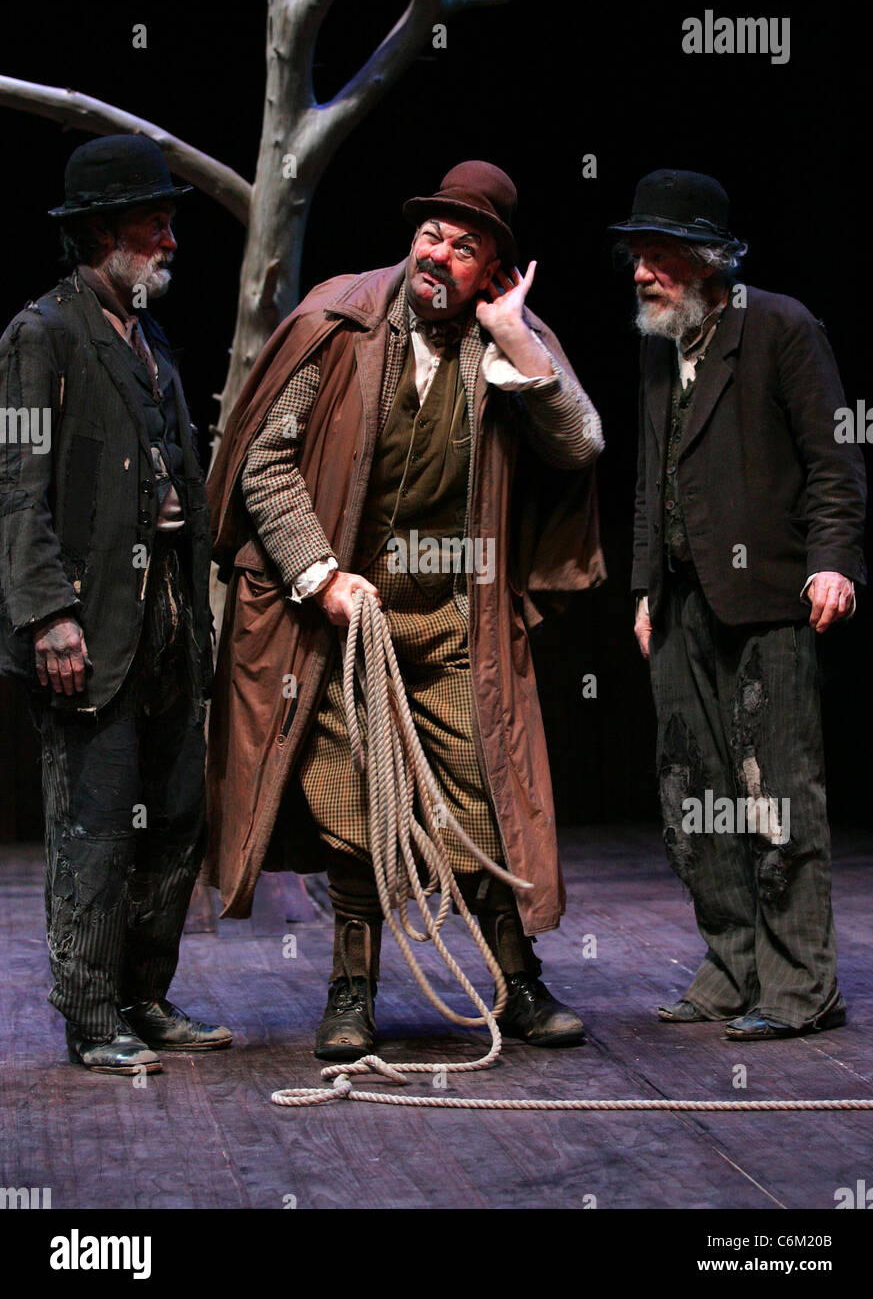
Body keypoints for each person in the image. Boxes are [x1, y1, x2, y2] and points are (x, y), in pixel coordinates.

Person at [207, 161, 605, 1059]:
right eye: (433, 234)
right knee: (355, 807)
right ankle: (353, 986)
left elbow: (581, 443)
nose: (440, 255)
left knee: (489, 790)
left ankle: (518, 980)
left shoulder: (504, 342)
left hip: (455, 620)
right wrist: (320, 573)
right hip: (346, 621)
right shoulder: (340, 322)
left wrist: (520, 342)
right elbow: (262, 464)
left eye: (468, 248)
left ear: (495, 271)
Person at [615, 168, 866, 1040]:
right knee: (695, 794)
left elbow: (836, 459)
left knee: (776, 797)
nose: (642, 273)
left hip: (767, 599)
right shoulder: (659, 344)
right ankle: (733, 966)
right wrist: (645, 587)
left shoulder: (783, 329)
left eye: (659, 257)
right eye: (638, 257)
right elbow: (651, 478)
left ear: (708, 260)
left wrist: (834, 563)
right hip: (683, 605)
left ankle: (802, 987)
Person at [0, 135, 231, 1073]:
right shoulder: (42, 333)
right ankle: (93, 1014)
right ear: (102, 232)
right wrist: (49, 612)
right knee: (96, 821)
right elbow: (17, 484)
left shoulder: (150, 334)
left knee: (175, 811)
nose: (171, 240)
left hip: (168, 606)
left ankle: (144, 993)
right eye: (154, 224)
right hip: (90, 618)